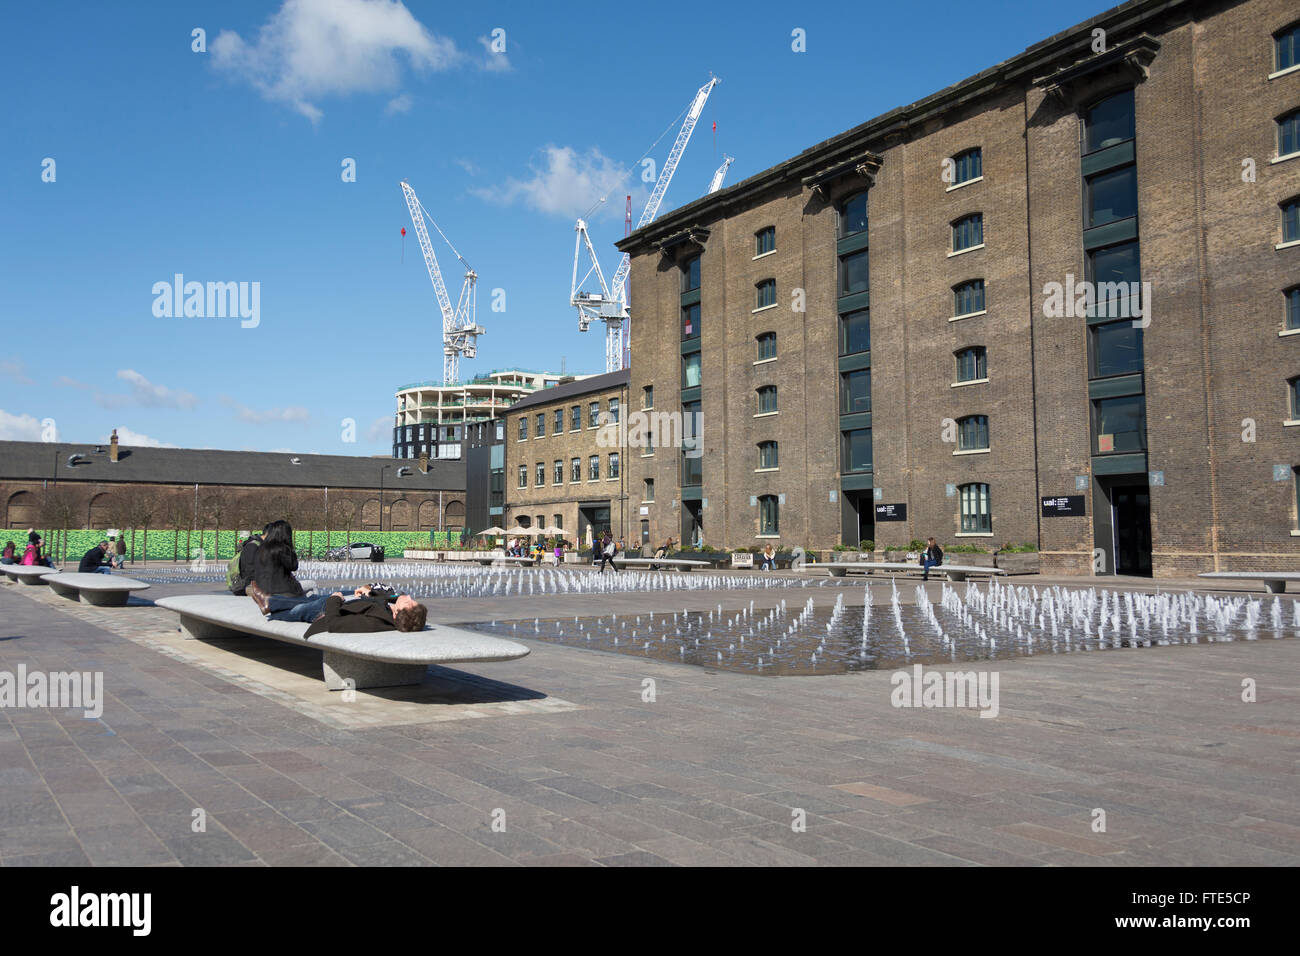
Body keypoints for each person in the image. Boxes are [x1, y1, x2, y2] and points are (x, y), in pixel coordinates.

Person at [303, 585, 429, 635]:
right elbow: (383, 603)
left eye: (408, 602)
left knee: (288, 605)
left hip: (323, 609)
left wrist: (334, 599)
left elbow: (333, 624)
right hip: (345, 599)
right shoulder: (391, 612)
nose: (408, 596)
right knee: (297, 596)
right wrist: (370, 593)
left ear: (396, 614)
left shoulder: (374, 622)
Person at [245, 520, 309, 619]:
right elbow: (294, 566)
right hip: (282, 592)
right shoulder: (282, 548)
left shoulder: (261, 548)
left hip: (263, 588)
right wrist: (291, 549)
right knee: (312, 590)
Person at [229, 531, 263, 596]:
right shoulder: (252, 547)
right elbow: (250, 570)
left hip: (240, 585)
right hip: (246, 586)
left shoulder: (248, 546)